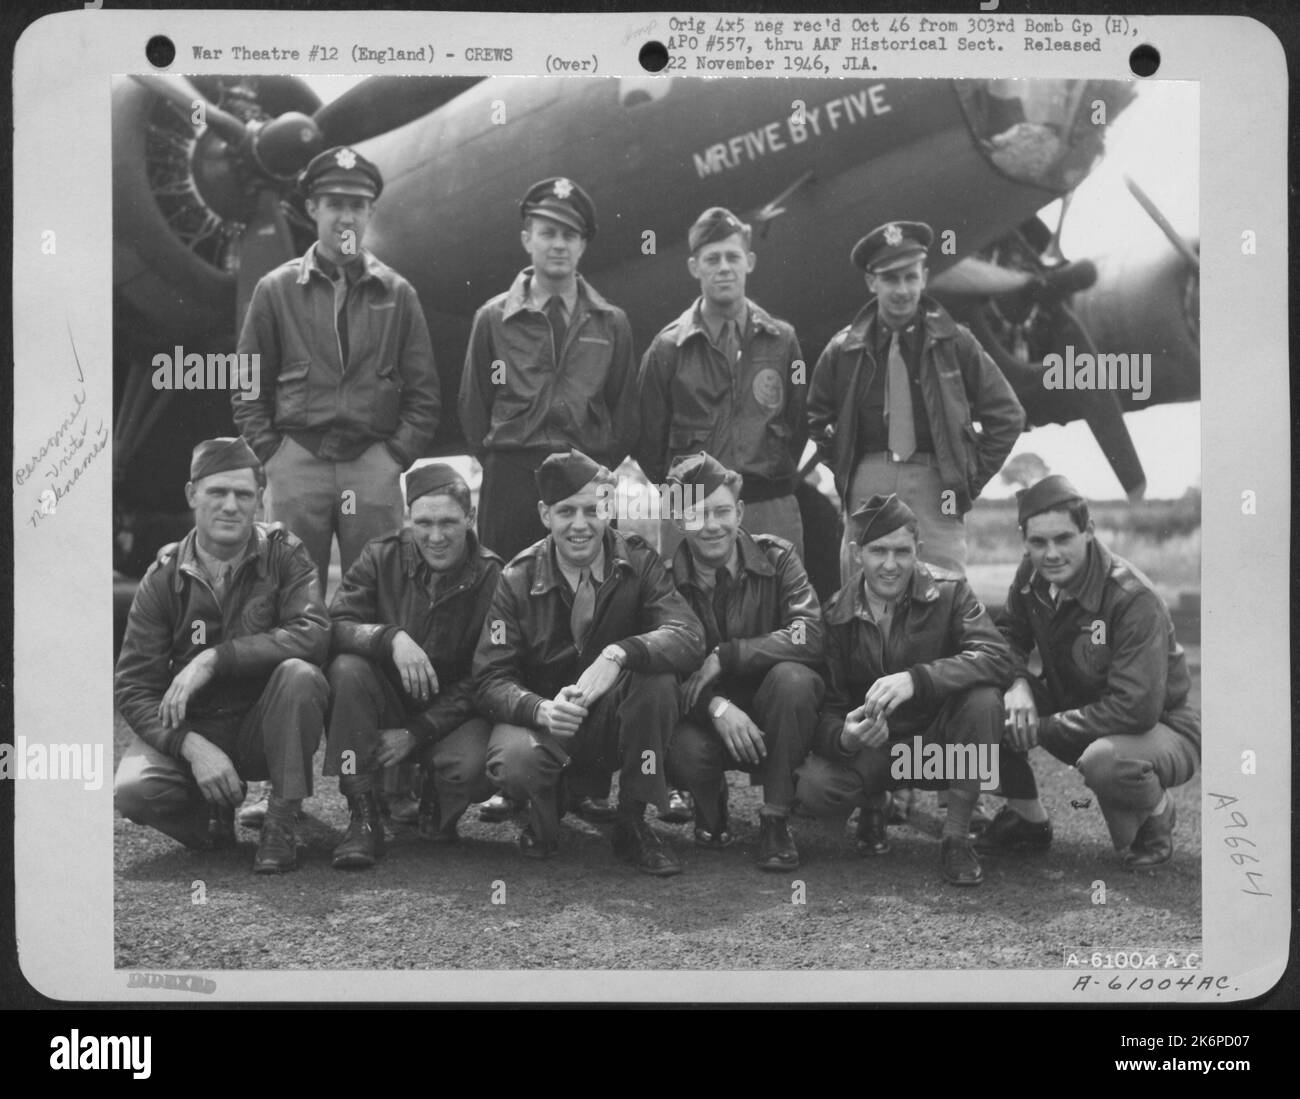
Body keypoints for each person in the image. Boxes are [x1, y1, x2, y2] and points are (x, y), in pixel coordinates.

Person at [232, 145, 440, 827]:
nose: (345, 215)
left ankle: (388, 778)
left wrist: (393, 458)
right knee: (280, 608)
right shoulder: (275, 290)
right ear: (312, 210)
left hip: (371, 466)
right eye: (334, 203)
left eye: (357, 204)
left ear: (368, 212)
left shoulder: (398, 292)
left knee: (386, 612)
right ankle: (277, 782)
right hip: (298, 462)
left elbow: (424, 394)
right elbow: (247, 388)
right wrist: (274, 455)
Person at [473, 449, 705, 875]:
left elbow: (688, 634)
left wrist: (621, 653)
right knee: (517, 763)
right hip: (546, 723)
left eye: (592, 509)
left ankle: (632, 821)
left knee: (657, 680)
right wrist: (539, 708)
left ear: (609, 508)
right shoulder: (516, 579)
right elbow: (489, 677)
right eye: (565, 512)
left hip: (612, 721)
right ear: (545, 514)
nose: (579, 525)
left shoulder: (639, 560)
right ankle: (546, 805)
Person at [113, 438, 330, 874]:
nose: (231, 506)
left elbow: (314, 633)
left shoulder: (285, 554)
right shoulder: (164, 577)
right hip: (200, 727)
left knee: (300, 674)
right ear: (193, 495)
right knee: (135, 789)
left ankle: (281, 820)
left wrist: (215, 658)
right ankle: (210, 817)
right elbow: (134, 686)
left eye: (244, 494)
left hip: (264, 726)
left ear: (260, 501)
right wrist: (191, 747)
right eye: (217, 492)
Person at [977, 475, 1200, 868]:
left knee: (1105, 762)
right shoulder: (1030, 574)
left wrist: (1038, 727)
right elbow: (1006, 638)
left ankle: (1157, 810)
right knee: (982, 695)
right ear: (1023, 539)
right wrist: (1015, 684)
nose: (1051, 554)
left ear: (1089, 532)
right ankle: (1027, 818)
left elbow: (1135, 709)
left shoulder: (1133, 598)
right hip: (1080, 711)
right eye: (1038, 542)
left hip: (1159, 729)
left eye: (1063, 539)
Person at [794, 494, 1012, 886]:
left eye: (902, 551)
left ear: (919, 551)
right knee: (815, 786)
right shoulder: (834, 614)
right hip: (881, 752)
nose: (890, 565)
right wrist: (845, 736)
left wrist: (918, 678)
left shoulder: (951, 592)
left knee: (983, 700)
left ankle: (957, 836)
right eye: (878, 551)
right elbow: (828, 706)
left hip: (939, 753)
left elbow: (998, 656)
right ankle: (876, 802)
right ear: (857, 553)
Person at [807, 220, 1024, 582]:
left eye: (910, 277)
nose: (903, 289)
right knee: (862, 598)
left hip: (936, 484)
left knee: (943, 593)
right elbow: (817, 417)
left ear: (924, 276)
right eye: (891, 279)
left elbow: (1008, 415)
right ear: (871, 282)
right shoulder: (842, 350)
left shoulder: (956, 342)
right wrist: (849, 470)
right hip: (867, 482)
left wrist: (967, 479)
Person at [322, 464, 503, 869]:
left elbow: (487, 674)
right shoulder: (380, 555)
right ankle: (362, 813)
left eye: (448, 523)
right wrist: (389, 637)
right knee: (347, 669)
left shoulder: (494, 575)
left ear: (470, 519)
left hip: (450, 716)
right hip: (386, 701)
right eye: (423, 522)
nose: (435, 537)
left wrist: (417, 732)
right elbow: (334, 627)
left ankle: (438, 796)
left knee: (472, 766)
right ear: (407, 518)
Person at [458, 177, 639, 563]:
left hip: (588, 481)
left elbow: (624, 412)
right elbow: (475, 407)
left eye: (570, 235)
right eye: (548, 233)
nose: (559, 244)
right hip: (513, 482)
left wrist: (592, 469)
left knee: (594, 599)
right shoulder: (493, 319)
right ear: (527, 239)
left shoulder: (611, 323)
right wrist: (506, 461)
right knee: (505, 596)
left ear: (582, 245)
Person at [663, 453, 824, 870]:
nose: (713, 525)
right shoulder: (663, 579)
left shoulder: (779, 557)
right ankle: (708, 798)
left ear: (739, 511)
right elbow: (665, 670)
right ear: (679, 521)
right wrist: (716, 707)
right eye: (698, 514)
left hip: (772, 712)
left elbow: (810, 634)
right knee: (684, 748)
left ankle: (775, 819)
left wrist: (728, 655)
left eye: (721, 511)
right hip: (704, 718)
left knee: (796, 680)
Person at [636, 207, 808, 559]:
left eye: (733, 257)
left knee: (775, 607)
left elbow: (798, 423)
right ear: (694, 267)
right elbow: (648, 442)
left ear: (750, 262)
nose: (724, 267)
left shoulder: (783, 341)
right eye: (712, 259)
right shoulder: (667, 348)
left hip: (768, 507)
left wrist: (765, 477)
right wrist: (689, 495)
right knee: (688, 610)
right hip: (691, 509)